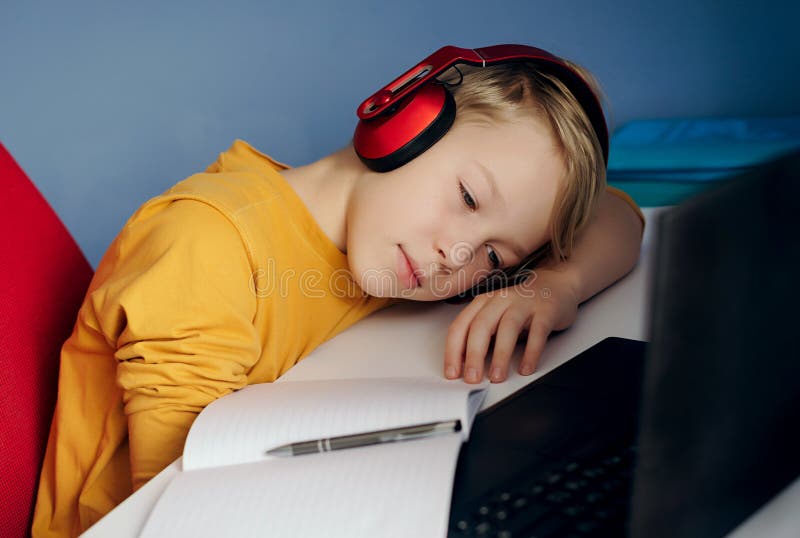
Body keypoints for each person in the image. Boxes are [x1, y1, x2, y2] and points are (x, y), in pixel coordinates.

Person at [32, 48, 644, 537]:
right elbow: (182, 496)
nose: (456, 254)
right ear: (403, 123)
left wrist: (555, 284)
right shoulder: (207, 243)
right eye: (467, 198)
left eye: (493, 255)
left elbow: (619, 215)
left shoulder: (385, 243)